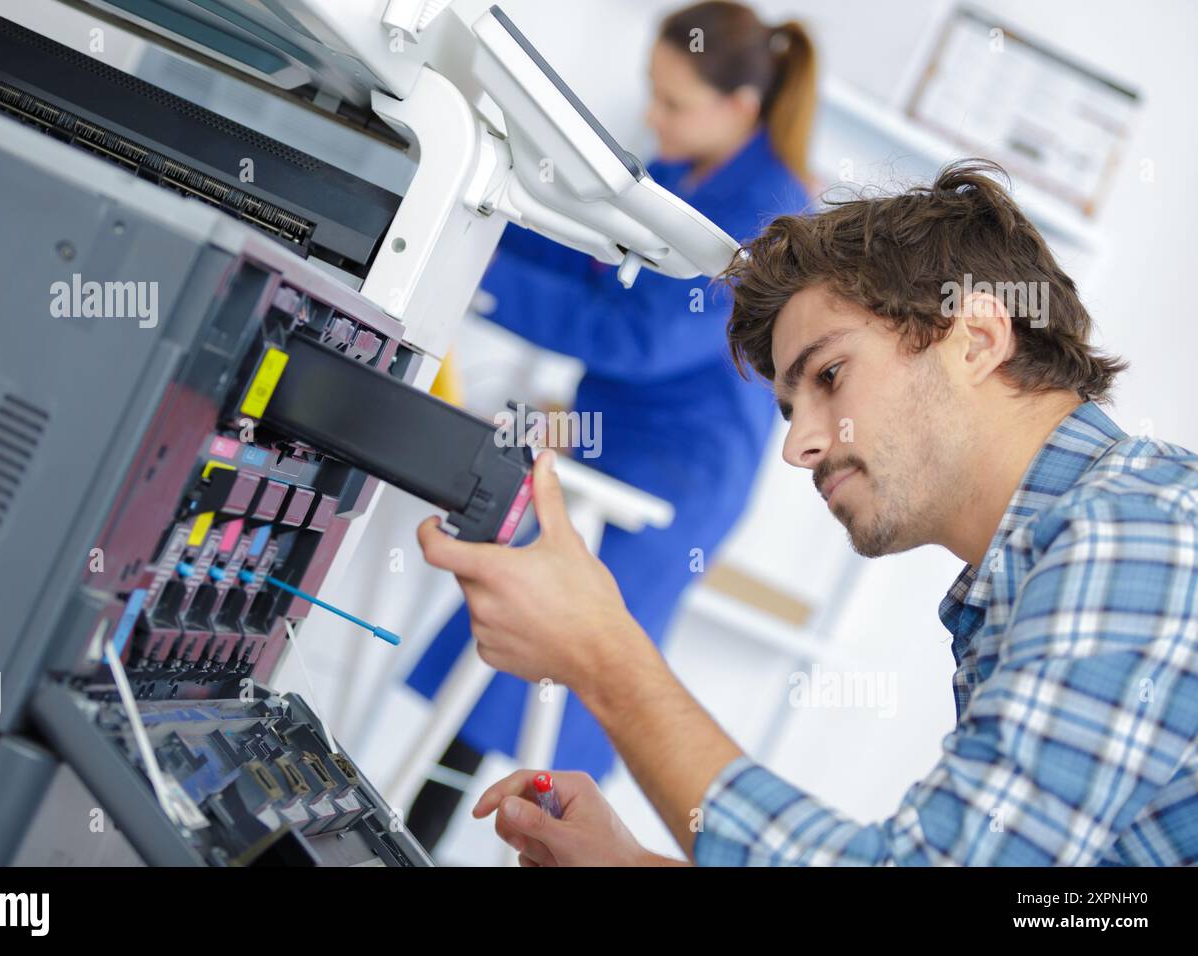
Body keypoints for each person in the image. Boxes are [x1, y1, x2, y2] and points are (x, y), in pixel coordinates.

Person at [417, 159, 1198, 866]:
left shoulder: (1128, 538)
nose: (799, 448)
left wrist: (604, 652)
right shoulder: (1046, 564)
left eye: (830, 374)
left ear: (978, 339)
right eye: (791, 406)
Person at [404, 1, 816, 849]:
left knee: (560, 685)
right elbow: (583, 258)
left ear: (739, 105)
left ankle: (433, 834)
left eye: (673, 104)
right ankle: (410, 833)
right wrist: (458, 212)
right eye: (653, 98)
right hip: (616, 444)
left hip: (672, 477)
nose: (654, 123)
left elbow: (639, 333)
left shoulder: (768, 207)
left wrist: (467, 278)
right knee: (502, 661)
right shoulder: (685, 173)